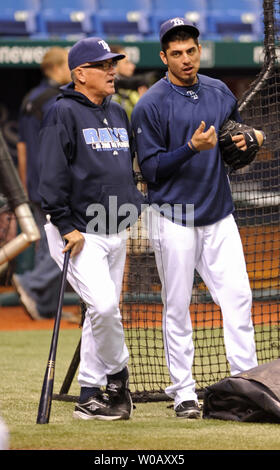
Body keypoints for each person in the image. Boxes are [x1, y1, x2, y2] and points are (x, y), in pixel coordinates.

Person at [131, 18, 264, 419]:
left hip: (218, 214)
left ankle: (247, 384)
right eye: (176, 53)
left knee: (239, 298)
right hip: (173, 216)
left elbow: (232, 141)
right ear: (163, 57)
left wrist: (249, 139)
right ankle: (183, 393)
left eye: (191, 51)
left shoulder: (219, 91)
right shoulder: (150, 104)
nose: (185, 59)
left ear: (199, 51)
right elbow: (150, 170)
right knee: (176, 306)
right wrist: (190, 147)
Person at [38, 37, 145, 420]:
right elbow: (49, 176)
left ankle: (88, 395)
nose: (112, 70)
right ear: (80, 74)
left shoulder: (116, 112)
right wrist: (65, 224)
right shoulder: (61, 112)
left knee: (101, 315)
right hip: (77, 232)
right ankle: (118, 377)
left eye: (112, 63)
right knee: (103, 306)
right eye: (103, 65)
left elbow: (124, 169)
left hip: (113, 227)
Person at [13, 47, 73, 320]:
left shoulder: (31, 98)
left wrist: (25, 184)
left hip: (35, 182)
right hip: (54, 181)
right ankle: (31, 282)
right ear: (59, 67)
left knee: (47, 242)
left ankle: (46, 305)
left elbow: (22, 147)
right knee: (65, 243)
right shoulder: (57, 99)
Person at [110, 45, 149, 119]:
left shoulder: (133, 90)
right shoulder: (105, 92)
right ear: (114, 65)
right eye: (126, 63)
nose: (132, 66)